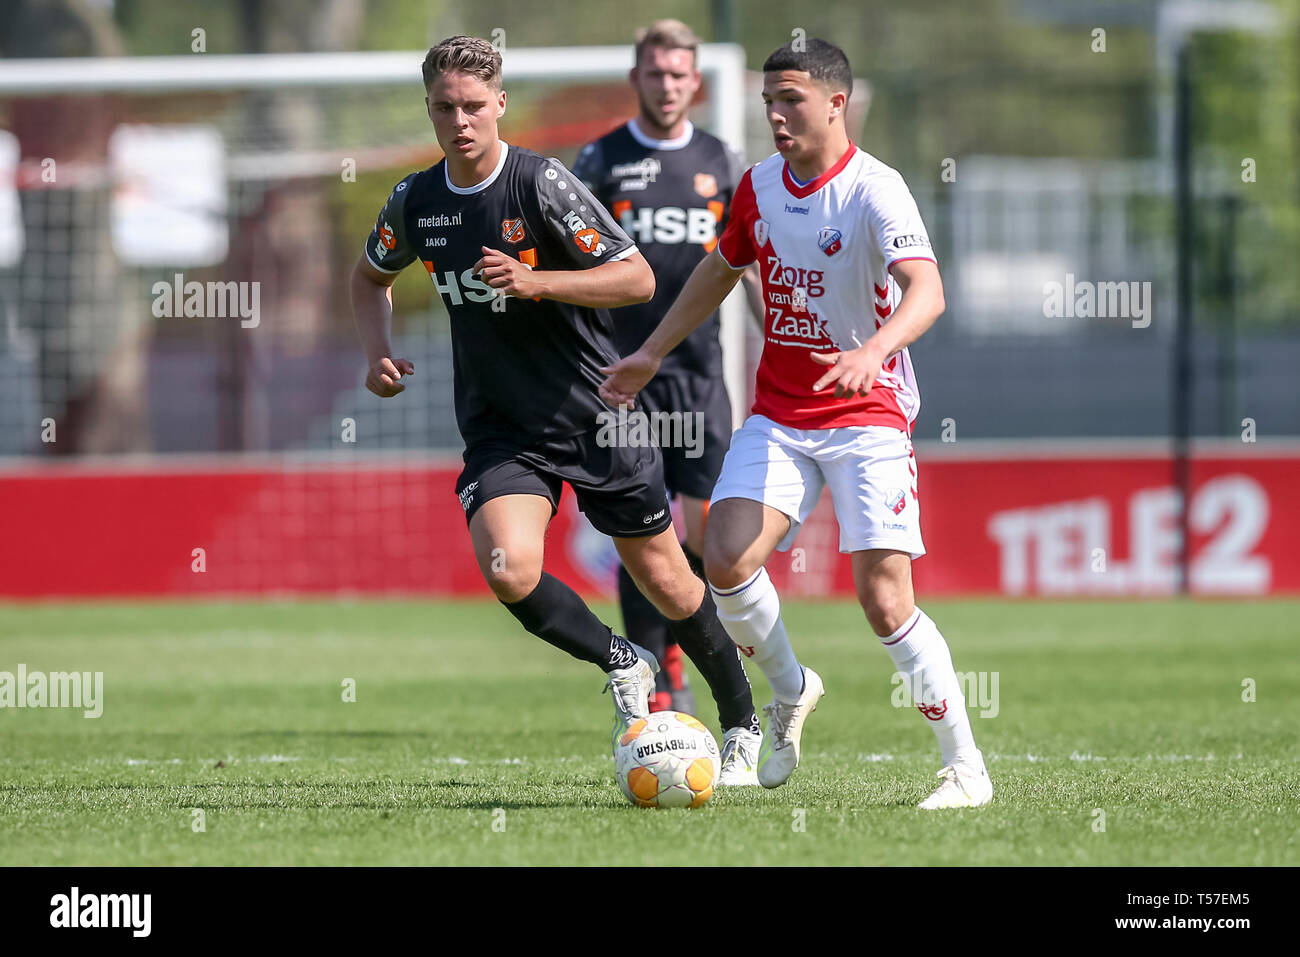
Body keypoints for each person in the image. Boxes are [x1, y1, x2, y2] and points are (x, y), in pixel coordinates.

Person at [351, 35, 761, 782]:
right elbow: (369, 275)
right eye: (445, 107)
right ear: (431, 110)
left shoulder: (541, 185)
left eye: (474, 106)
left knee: (669, 578)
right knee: (508, 568)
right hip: (502, 428)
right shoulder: (418, 200)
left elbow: (635, 277)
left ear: (500, 104)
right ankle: (623, 661)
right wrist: (376, 352)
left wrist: (539, 283)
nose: (460, 120)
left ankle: (741, 718)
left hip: (595, 413)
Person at [601, 38, 994, 807]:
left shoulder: (877, 190)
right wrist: (650, 350)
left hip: (869, 415)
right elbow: (721, 267)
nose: (777, 116)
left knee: (884, 600)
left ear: (836, 103)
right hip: (781, 411)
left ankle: (965, 767)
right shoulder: (757, 186)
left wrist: (874, 349)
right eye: (769, 104)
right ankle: (792, 687)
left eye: (792, 102)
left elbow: (927, 291)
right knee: (724, 558)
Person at [572, 19, 763, 774]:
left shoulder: (724, 161)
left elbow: (745, 267)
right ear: (637, 79)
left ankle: (687, 647)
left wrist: (776, 341)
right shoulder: (601, 160)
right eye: (656, 72)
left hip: (697, 373)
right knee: (634, 521)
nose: (668, 83)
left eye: (680, 73)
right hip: (621, 373)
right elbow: (573, 257)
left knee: (708, 535)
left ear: (697, 81)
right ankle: (652, 672)